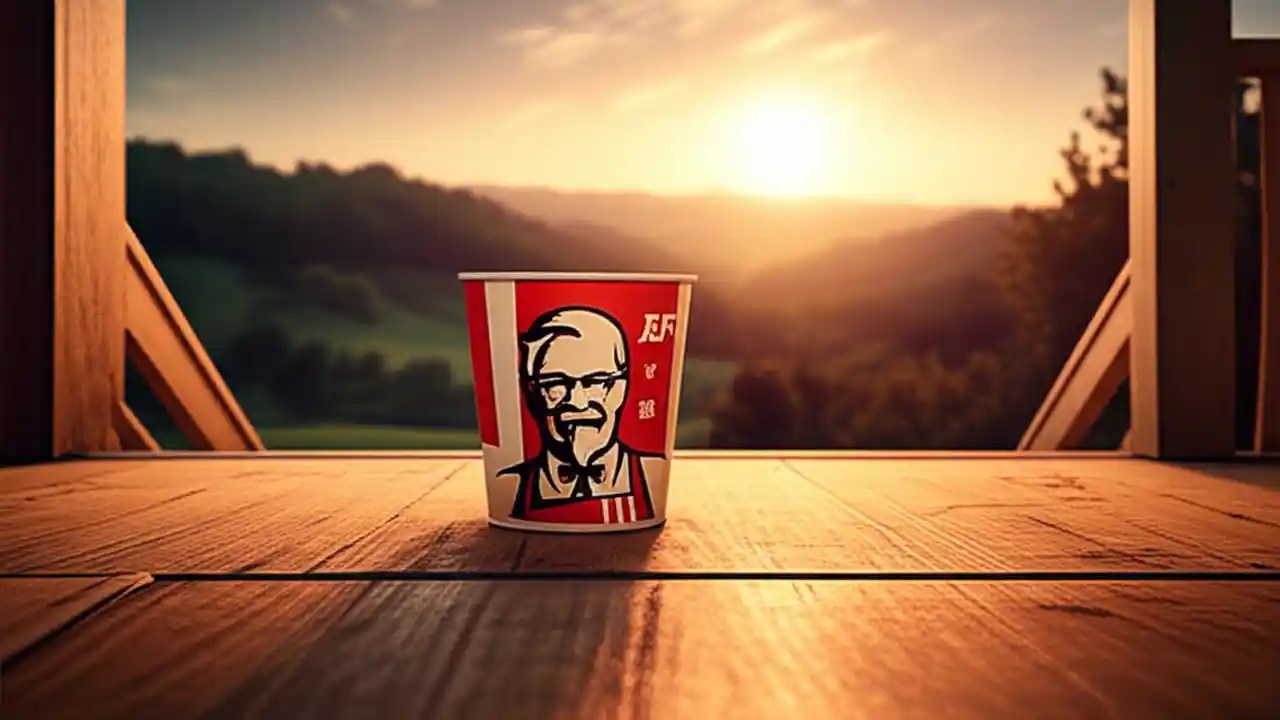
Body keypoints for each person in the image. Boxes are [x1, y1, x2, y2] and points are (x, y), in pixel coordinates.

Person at [501, 306, 663, 525]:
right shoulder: (509, 486)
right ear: (532, 392)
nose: (578, 403)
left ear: (621, 388)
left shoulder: (653, 475)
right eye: (556, 383)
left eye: (595, 381)